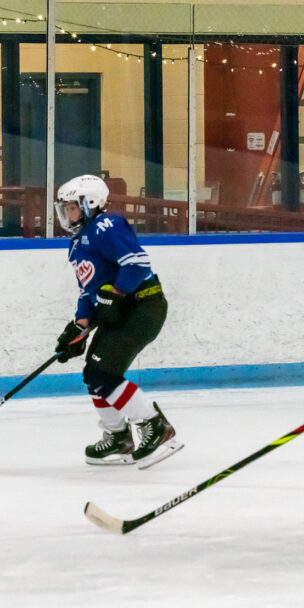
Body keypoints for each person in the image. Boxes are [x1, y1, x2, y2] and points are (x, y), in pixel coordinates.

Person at [52, 174, 183, 469]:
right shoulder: (77, 244)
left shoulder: (106, 226)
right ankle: (119, 438)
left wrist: (117, 294)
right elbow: (89, 292)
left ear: (90, 204)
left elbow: (137, 264)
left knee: (103, 375)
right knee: (93, 375)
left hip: (143, 307)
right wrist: (79, 327)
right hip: (121, 312)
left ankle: (157, 427)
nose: (67, 214)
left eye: (71, 207)